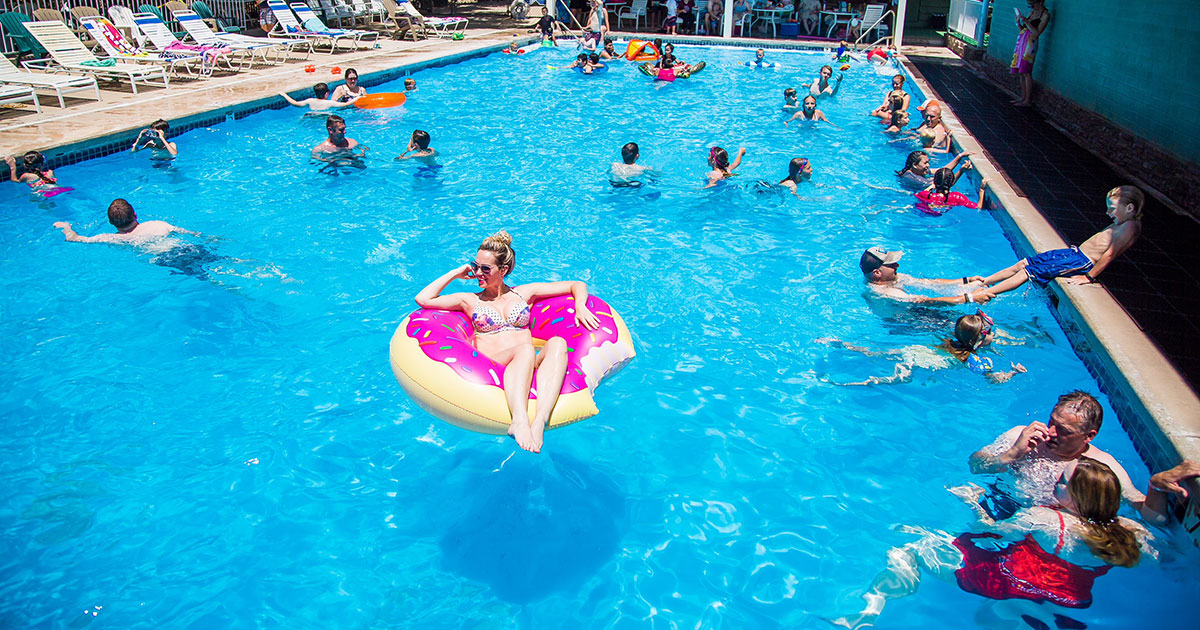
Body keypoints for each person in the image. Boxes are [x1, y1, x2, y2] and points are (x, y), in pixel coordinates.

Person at [831, 457, 1157, 630]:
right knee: (989, 617)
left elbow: (992, 530)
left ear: (1076, 498)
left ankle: (868, 611)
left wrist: (972, 500)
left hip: (1007, 582)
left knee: (909, 548)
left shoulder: (1047, 520)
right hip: (1069, 599)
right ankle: (1027, 617)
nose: (1054, 482)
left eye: (1061, 482)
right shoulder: (1130, 531)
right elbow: (1163, 559)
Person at [414, 231, 601, 453]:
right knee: (524, 349)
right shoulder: (469, 300)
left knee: (558, 342)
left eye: (486, 268)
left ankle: (540, 420)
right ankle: (519, 421)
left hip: (527, 361)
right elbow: (423, 299)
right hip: (494, 365)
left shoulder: (524, 294)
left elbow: (576, 284)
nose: (478, 273)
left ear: (503, 270)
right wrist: (457, 273)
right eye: (476, 266)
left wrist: (580, 306)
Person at [968, 390, 1200, 524]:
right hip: (997, 508)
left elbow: (1150, 516)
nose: (1051, 433)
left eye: (1065, 431)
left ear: (1089, 436)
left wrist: (1156, 486)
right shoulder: (1022, 435)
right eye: (1052, 422)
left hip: (1047, 530)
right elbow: (975, 465)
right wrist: (1010, 455)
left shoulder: (1102, 466)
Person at [963, 186, 1143, 300]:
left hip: (1081, 261)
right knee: (1025, 263)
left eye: (1112, 208)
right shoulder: (1123, 222)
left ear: (1129, 208)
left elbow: (1109, 254)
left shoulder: (1130, 227)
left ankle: (986, 293)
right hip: (1074, 253)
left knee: (1028, 272)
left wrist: (1088, 277)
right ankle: (984, 282)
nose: (1107, 212)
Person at [817, 310, 1027, 386]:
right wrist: (1012, 372)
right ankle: (858, 383)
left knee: (875, 352)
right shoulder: (975, 360)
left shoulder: (949, 340)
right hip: (921, 362)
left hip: (918, 350)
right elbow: (992, 379)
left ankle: (842, 344)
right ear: (977, 342)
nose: (993, 336)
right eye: (989, 334)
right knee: (898, 379)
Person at [859, 247, 991, 305]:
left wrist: (966, 281)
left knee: (979, 286)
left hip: (916, 312)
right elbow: (927, 301)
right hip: (908, 325)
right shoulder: (886, 293)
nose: (897, 266)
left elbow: (928, 283)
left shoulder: (892, 277)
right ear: (877, 273)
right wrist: (970, 298)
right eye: (892, 264)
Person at [52, 198, 199, 244]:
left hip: (165, 258)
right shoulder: (158, 224)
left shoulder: (112, 238)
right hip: (186, 248)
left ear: (111, 222)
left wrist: (66, 227)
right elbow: (192, 233)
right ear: (135, 214)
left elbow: (75, 238)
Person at [1011, 0, 1049, 107]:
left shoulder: (1045, 15)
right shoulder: (1032, 13)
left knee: (1026, 71)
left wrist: (1027, 22)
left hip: (1031, 44)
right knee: (1021, 71)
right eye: (1030, 5)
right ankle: (1023, 97)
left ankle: (1027, 100)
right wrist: (1018, 22)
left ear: (1040, 2)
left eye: (1033, 5)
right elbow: (1023, 29)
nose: (1032, 7)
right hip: (1023, 41)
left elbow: (1037, 33)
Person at [914, 168, 988, 215]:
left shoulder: (925, 195)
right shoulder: (957, 197)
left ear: (934, 182)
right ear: (952, 183)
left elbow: (918, 195)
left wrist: (930, 188)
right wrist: (981, 190)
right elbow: (978, 208)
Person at [5, 150, 70, 197]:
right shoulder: (50, 172)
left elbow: (15, 181)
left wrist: (12, 166)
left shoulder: (26, 176)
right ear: (42, 164)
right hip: (59, 189)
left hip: (42, 193)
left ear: (25, 166)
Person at [895, 150, 971, 189]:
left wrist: (959, 156)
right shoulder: (912, 177)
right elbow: (943, 184)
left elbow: (942, 170)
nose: (928, 165)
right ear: (914, 165)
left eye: (928, 162)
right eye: (925, 163)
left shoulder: (920, 170)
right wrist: (961, 171)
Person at [280, 83, 354, 113]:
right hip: (323, 118)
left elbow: (295, 103)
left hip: (311, 116)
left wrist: (284, 95)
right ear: (327, 93)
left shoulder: (310, 101)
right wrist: (358, 98)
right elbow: (347, 104)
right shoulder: (330, 103)